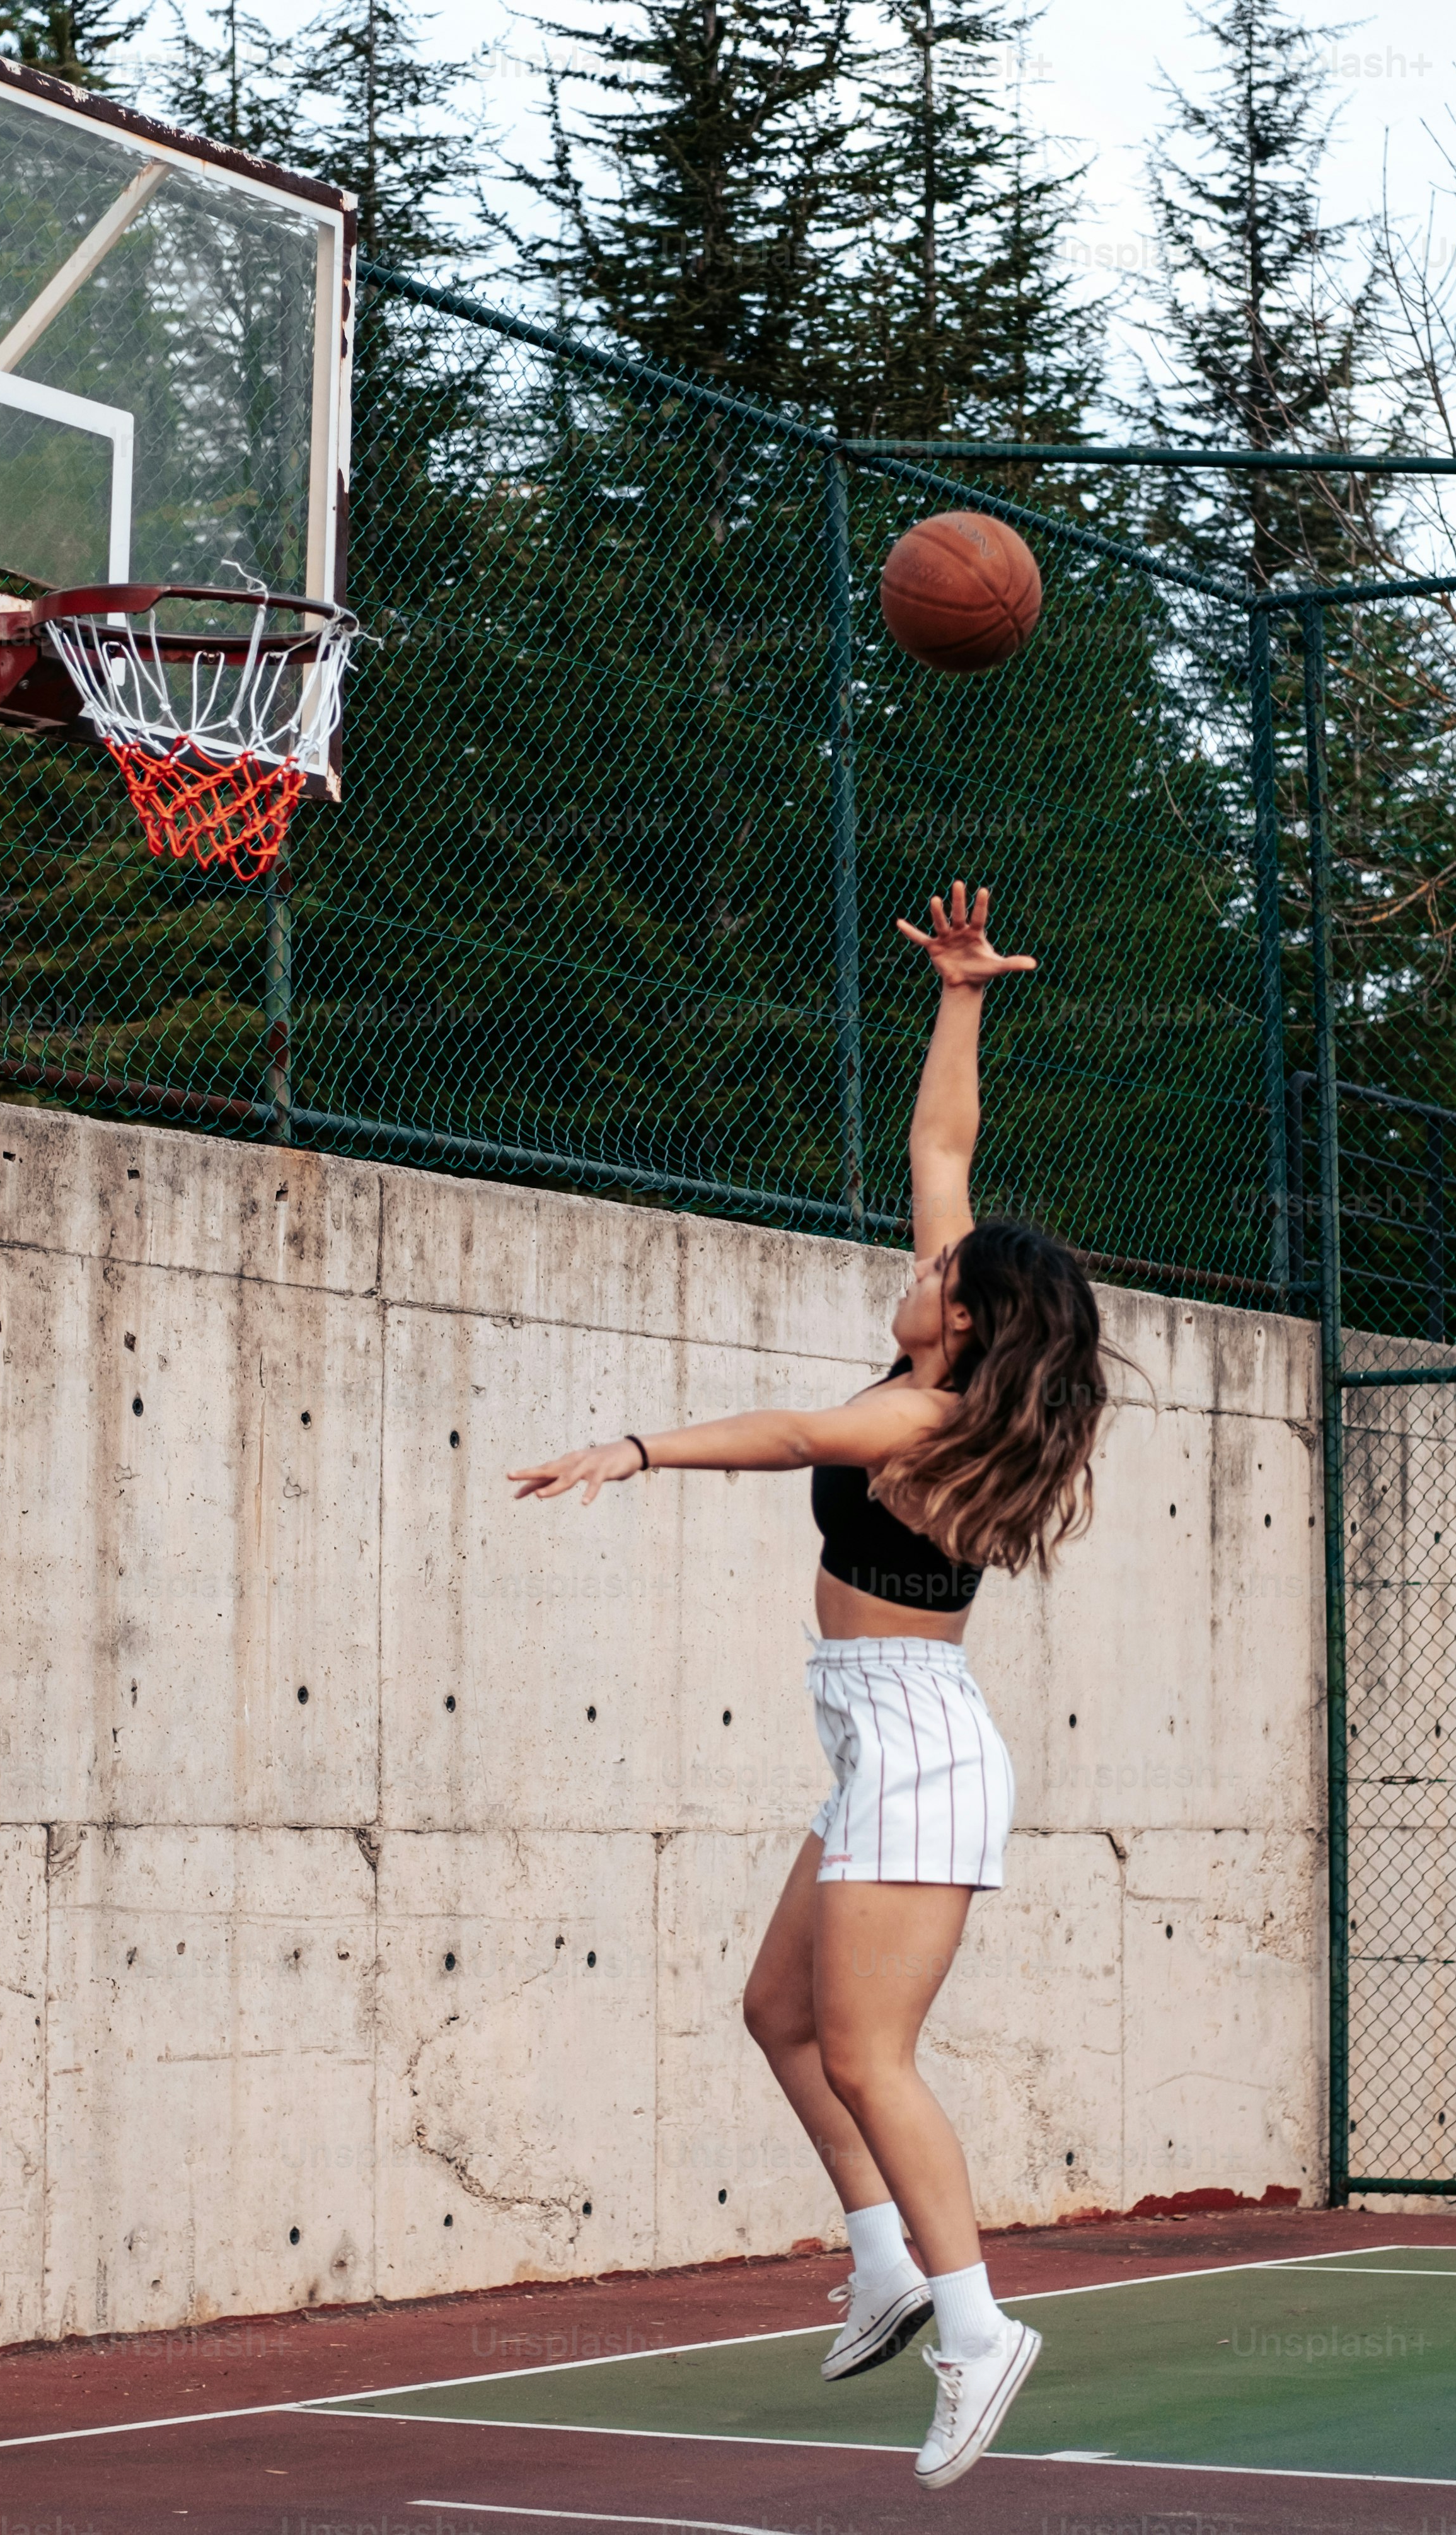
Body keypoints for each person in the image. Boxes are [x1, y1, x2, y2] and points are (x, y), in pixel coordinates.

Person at [512, 882, 1114, 2488]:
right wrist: (963, 996)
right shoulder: (941, 1348)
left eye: (935, 1276)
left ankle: (982, 2333)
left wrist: (632, 1447)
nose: (910, 1270)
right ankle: (884, 2258)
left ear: (966, 1316)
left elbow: (788, 1435)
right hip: (875, 1745)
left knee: (866, 2052)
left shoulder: (928, 1420)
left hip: (917, 1748)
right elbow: (941, 1157)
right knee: (777, 2014)